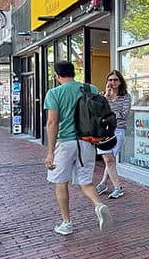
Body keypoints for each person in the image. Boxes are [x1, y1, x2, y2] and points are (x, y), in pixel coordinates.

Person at [44, 61, 113, 235]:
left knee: (61, 183)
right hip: (87, 141)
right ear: (74, 72)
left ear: (57, 75)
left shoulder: (54, 93)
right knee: (85, 181)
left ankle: (66, 223)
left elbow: (52, 123)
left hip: (65, 143)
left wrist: (50, 152)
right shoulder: (91, 89)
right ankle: (99, 205)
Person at [95, 70, 131, 198]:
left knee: (110, 160)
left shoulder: (125, 97)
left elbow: (124, 114)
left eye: (115, 80)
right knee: (108, 159)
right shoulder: (102, 96)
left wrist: (111, 107)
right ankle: (115, 187)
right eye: (110, 80)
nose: (112, 82)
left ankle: (105, 184)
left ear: (120, 82)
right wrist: (106, 96)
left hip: (118, 130)